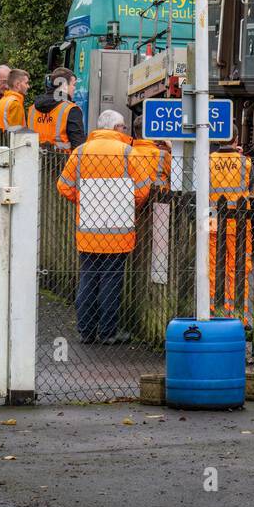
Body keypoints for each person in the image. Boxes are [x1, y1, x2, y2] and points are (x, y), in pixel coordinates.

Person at [57, 109, 156, 344]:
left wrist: (84, 200)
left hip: (88, 228)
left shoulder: (80, 152)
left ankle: (86, 330)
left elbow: (64, 185)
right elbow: (143, 189)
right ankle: (108, 332)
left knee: (88, 279)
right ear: (116, 128)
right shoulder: (127, 153)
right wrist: (125, 203)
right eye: (122, 127)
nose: (124, 130)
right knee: (111, 281)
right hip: (118, 230)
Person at [209, 144, 254, 321]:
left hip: (213, 219)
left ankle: (212, 310)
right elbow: (249, 183)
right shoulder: (245, 162)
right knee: (239, 268)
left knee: (213, 266)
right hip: (239, 222)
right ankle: (236, 315)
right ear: (236, 140)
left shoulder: (207, 160)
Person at [28, 67, 86, 149]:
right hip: (63, 159)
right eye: (74, 85)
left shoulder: (33, 108)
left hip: (36, 158)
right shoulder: (71, 110)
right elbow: (78, 146)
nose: (74, 88)